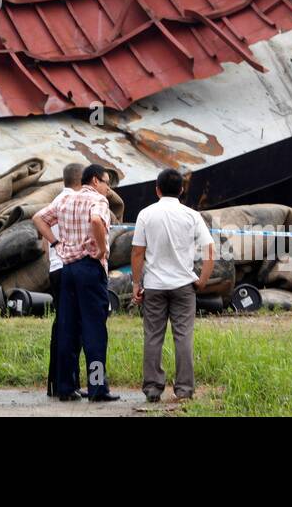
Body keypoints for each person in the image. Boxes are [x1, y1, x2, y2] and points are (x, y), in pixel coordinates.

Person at [33, 163, 119, 403]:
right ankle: (97, 388)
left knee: (67, 329)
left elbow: (38, 218)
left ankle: (65, 387)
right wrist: (101, 250)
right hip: (90, 269)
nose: (107, 189)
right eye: (105, 182)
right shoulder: (98, 201)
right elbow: (95, 222)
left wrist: (56, 243)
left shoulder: (64, 200)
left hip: (67, 269)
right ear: (94, 181)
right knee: (94, 332)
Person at [131, 167, 214, 402]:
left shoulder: (146, 214)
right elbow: (210, 250)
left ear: (157, 190)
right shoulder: (192, 216)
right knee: (183, 337)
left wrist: (137, 284)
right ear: (181, 190)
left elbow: (138, 253)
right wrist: (203, 280)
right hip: (184, 286)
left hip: (155, 286)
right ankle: (185, 390)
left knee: (153, 337)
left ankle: (152, 389)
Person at [45, 162, 84, 397]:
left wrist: (55, 250)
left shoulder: (55, 203)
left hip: (55, 268)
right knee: (73, 328)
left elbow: (43, 239)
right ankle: (67, 384)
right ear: (81, 181)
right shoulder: (75, 204)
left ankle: (56, 383)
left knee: (60, 326)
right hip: (71, 268)